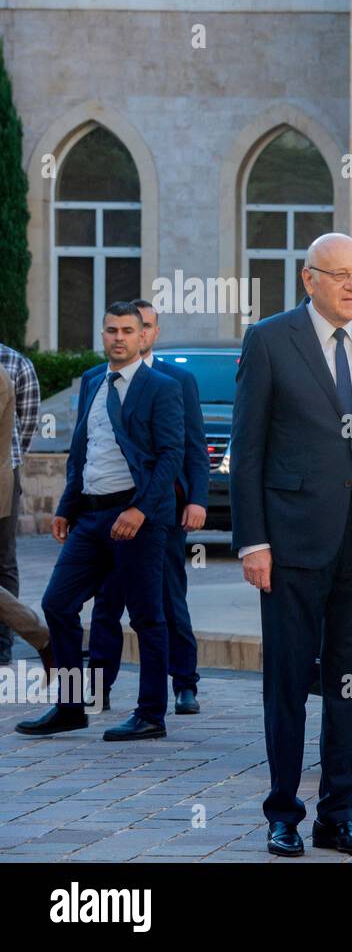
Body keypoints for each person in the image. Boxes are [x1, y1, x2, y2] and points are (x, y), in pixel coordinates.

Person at [231, 232, 352, 858]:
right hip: (290, 546)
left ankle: (338, 814)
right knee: (287, 684)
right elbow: (247, 448)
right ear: (309, 280)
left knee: (349, 687)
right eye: (340, 275)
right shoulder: (270, 340)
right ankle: (283, 813)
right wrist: (251, 541)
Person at [16, 301, 183, 740]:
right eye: (111, 330)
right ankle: (71, 706)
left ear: (143, 335)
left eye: (128, 330)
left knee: (148, 616)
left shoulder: (161, 387)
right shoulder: (92, 380)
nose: (119, 338)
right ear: (102, 333)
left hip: (139, 515)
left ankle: (151, 715)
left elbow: (171, 456)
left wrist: (140, 509)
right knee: (57, 602)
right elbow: (82, 450)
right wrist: (66, 507)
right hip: (91, 515)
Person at [86, 298, 209, 715]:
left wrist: (196, 499)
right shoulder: (99, 379)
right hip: (110, 511)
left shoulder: (176, 380)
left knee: (169, 598)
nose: (138, 333)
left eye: (147, 326)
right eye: (120, 329)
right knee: (107, 599)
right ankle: (98, 685)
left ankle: (184, 683)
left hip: (162, 511)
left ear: (151, 332)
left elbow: (191, 446)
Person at [0, 339, 40, 667]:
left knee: (3, 559)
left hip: (2, 475)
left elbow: (26, 426)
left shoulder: (16, 364)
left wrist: (9, 464)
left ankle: (3, 642)